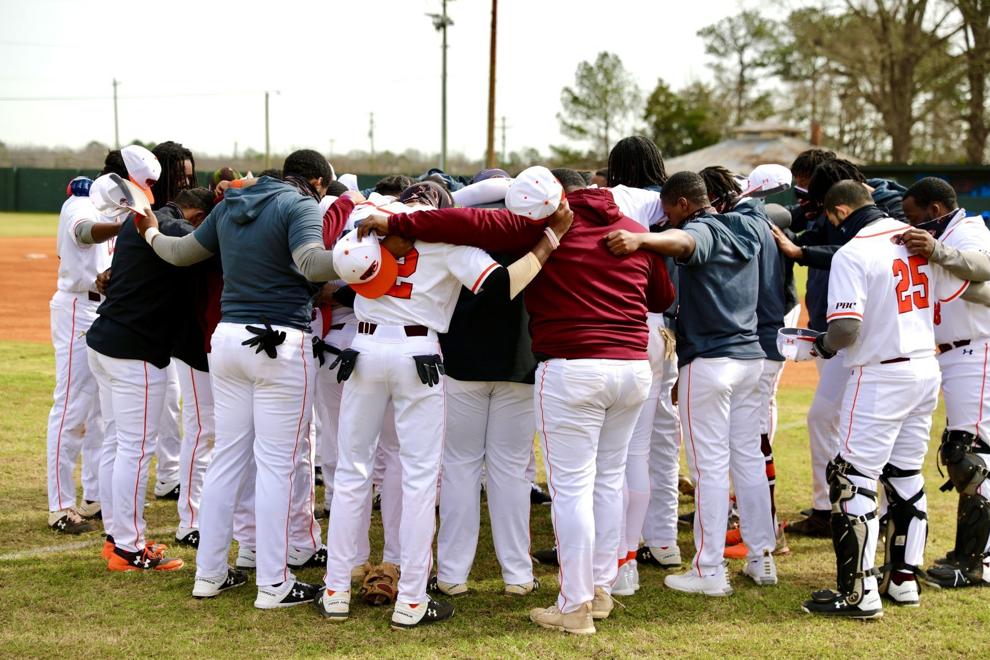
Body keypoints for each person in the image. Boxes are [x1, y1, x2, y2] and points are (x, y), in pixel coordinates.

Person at [364, 167, 675, 635]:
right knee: (606, 480)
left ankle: (575, 604)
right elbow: (662, 294)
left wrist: (396, 223)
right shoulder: (632, 230)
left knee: (570, 488)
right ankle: (600, 587)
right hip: (630, 366)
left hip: (573, 364)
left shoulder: (537, 225)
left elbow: (456, 223)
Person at [140, 149, 339, 608]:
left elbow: (180, 252)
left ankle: (209, 574)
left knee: (227, 458)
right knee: (275, 464)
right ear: (314, 183)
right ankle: (273, 583)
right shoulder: (301, 204)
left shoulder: (231, 205)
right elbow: (311, 263)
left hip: (227, 338)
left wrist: (149, 230)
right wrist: (360, 259)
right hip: (279, 341)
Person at [800, 181, 981, 618]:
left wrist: (821, 345)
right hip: (924, 367)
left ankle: (859, 594)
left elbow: (845, 331)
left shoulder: (853, 252)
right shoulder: (914, 238)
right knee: (905, 475)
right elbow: (962, 285)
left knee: (853, 478)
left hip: (881, 371)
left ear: (839, 212)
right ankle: (903, 580)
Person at [605, 171, 777, 596]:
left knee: (710, 468)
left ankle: (709, 569)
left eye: (669, 211)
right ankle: (762, 558)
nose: (668, 219)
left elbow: (687, 242)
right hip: (750, 358)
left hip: (712, 361)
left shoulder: (700, 227)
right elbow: (768, 212)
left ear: (683, 203)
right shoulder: (748, 221)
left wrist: (641, 240)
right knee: (749, 461)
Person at [85, 185, 215, 573]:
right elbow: (188, 245)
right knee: (135, 449)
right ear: (198, 216)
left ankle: (116, 537)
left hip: (106, 341)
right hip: (133, 351)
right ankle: (128, 547)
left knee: (117, 443)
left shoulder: (140, 220)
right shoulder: (170, 226)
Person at [775, 158, 906, 538]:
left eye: (813, 195)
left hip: (874, 337)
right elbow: (798, 222)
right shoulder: (827, 208)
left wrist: (802, 253)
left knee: (856, 424)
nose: (810, 205)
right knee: (828, 419)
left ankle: (868, 508)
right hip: (834, 329)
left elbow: (850, 253)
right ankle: (831, 506)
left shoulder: (889, 208)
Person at [898, 177, 990, 588]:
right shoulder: (946, 235)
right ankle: (970, 556)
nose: (910, 224)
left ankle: (976, 562)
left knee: (971, 458)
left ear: (935, 211)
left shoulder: (968, 231)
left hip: (978, 349)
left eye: (914, 216)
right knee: (966, 455)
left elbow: (984, 269)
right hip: (956, 354)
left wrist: (936, 250)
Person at [699, 166, 789, 561]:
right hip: (762, 341)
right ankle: (763, 547)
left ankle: (761, 540)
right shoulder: (758, 220)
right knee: (750, 450)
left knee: (741, 451)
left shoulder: (743, 223)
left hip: (753, 341)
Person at [45, 153, 131, 535]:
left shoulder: (117, 206)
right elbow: (82, 233)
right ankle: (60, 505)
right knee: (72, 406)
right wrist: (122, 225)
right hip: (78, 307)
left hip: (103, 308)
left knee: (100, 410)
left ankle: (94, 495)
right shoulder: (81, 200)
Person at [148, 140, 198, 501]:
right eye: (179, 175)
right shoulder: (148, 212)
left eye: (189, 177)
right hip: (146, 324)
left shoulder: (175, 214)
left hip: (170, 324)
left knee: (171, 400)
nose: (184, 182)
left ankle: (168, 474)